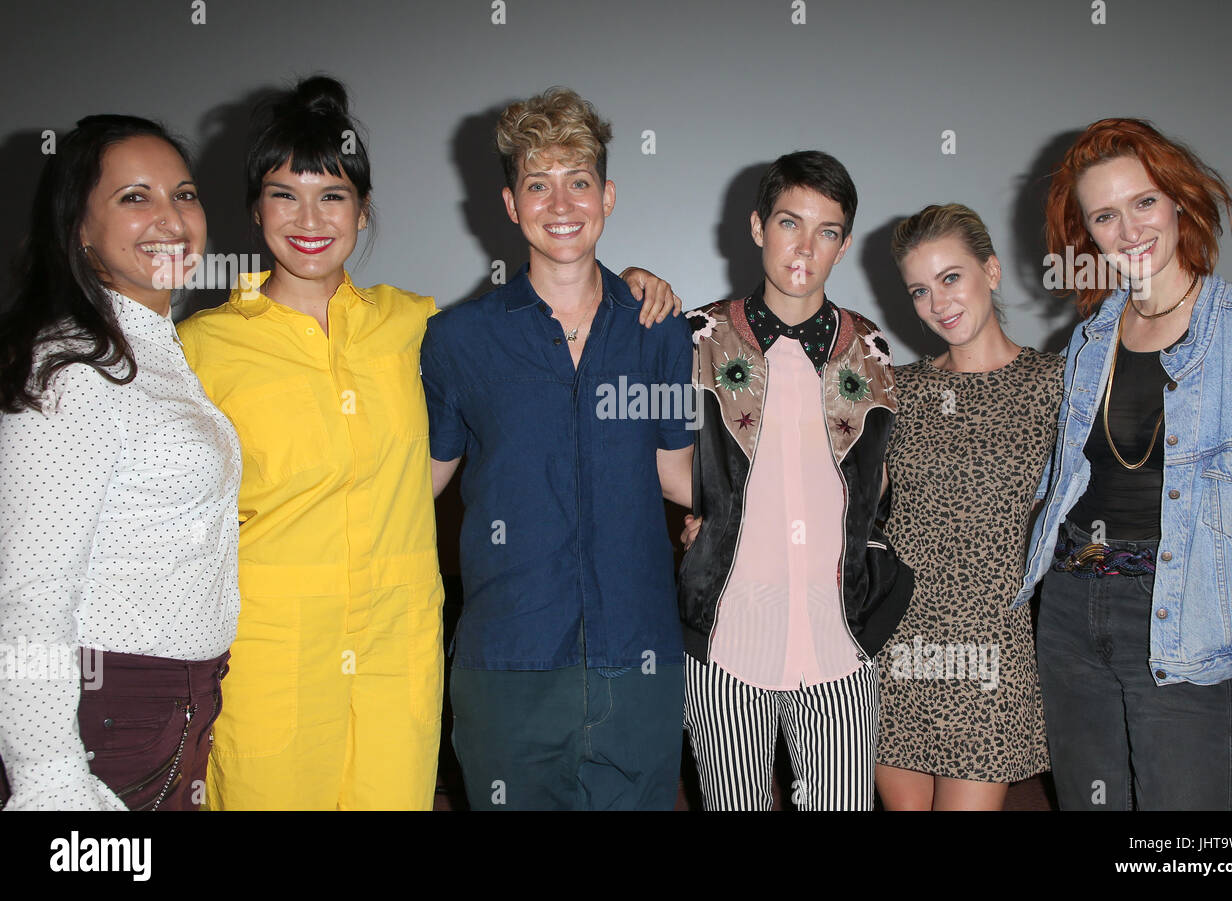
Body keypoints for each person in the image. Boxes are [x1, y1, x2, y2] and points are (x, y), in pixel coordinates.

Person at [180, 78, 681, 810]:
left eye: (334, 195)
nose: (310, 217)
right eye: (285, 194)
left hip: (409, 660)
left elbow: (679, 474)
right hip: (279, 659)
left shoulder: (410, 325)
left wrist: (639, 285)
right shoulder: (208, 348)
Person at [421, 87, 693, 810]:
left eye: (578, 181)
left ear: (607, 195)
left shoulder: (658, 329)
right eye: (537, 184)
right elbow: (417, 484)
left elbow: (679, 477)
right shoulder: (457, 340)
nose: (561, 202)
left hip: (640, 658)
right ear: (511, 204)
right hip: (507, 665)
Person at [1017, 117, 1232, 810]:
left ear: (1177, 200)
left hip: (1186, 615)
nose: (1129, 229)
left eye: (1143, 202)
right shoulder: (1088, 338)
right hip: (1071, 610)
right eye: (1104, 215)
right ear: (1087, 234)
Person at [0, 115, 240, 810]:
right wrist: (49, 777)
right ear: (77, 224)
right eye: (135, 197)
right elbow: (26, 599)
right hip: (110, 709)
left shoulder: (152, 350)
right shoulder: (70, 367)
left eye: (184, 193)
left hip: (178, 706)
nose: (170, 217)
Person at [677, 151, 912, 811]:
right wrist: (702, 519)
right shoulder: (698, 336)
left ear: (843, 244)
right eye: (789, 222)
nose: (805, 245)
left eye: (827, 230)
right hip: (725, 643)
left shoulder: (870, 347)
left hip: (838, 642)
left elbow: (878, 483)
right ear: (758, 227)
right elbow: (660, 460)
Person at [873, 203, 1058, 810]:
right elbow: (841, 498)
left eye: (951, 278)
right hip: (895, 643)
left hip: (989, 649)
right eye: (920, 290)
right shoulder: (897, 389)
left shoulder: (1055, 384)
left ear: (993, 271)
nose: (938, 304)